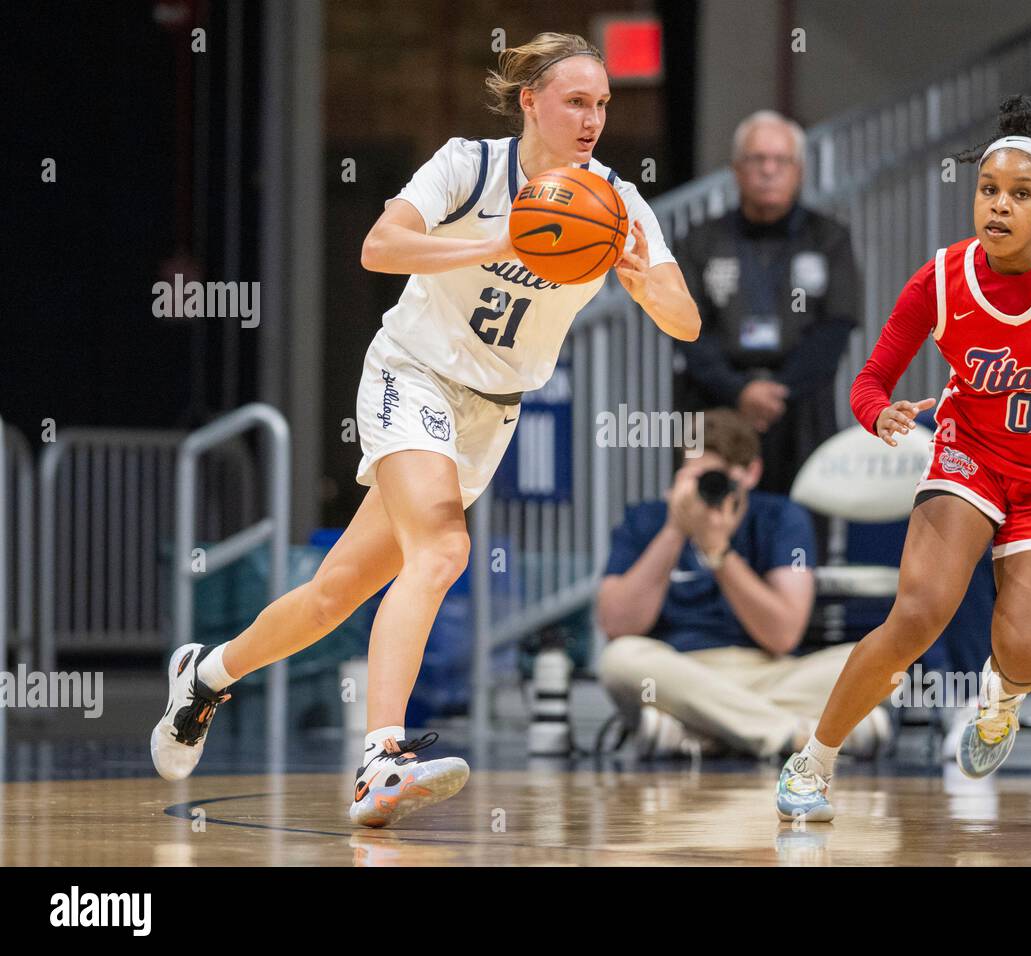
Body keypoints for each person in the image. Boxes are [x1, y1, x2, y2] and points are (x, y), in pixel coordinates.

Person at [149, 32, 701, 828]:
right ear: (531, 102)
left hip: (491, 411)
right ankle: (380, 759)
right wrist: (497, 240)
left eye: (603, 104)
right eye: (577, 101)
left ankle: (204, 677)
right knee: (443, 550)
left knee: (333, 595)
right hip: (413, 374)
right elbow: (379, 247)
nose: (593, 120)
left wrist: (646, 285)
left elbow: (685, 321)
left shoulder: (614, 201)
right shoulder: (468, 167)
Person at [774, 94, 1031, 823]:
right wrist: (880, 414)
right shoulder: (941, 278)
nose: (998, 206)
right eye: (988, 190)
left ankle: (1000, 702)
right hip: (970, 458)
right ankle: (814, 760)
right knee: (918, 614)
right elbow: (869, 383)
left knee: (1027, 652)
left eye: (1019, 195)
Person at [596, 408, 890, 759]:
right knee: (620, 659)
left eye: (717, 479)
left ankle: (700, 734)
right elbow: (616, 625)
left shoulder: (781, 518)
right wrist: (675, 530)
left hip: (768, 671)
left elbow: (782, 634)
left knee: (880, 663)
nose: (710, 492)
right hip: (681, 671)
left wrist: (719, 552)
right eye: (698, 478)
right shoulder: (646, 520)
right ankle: (796, 735)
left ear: (751, 473)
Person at [675, 111, 859, 513]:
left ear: (800, 171)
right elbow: (685, 327)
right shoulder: (700, 241)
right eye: (757, 160)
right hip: (715, 406)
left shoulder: (829, 238)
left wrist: (777, 393)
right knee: (709, 520)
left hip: (801, 409)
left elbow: (836, 327)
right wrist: (739, 391)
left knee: (801, 529)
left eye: (781, 161)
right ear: (737, 169)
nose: (769, 171)